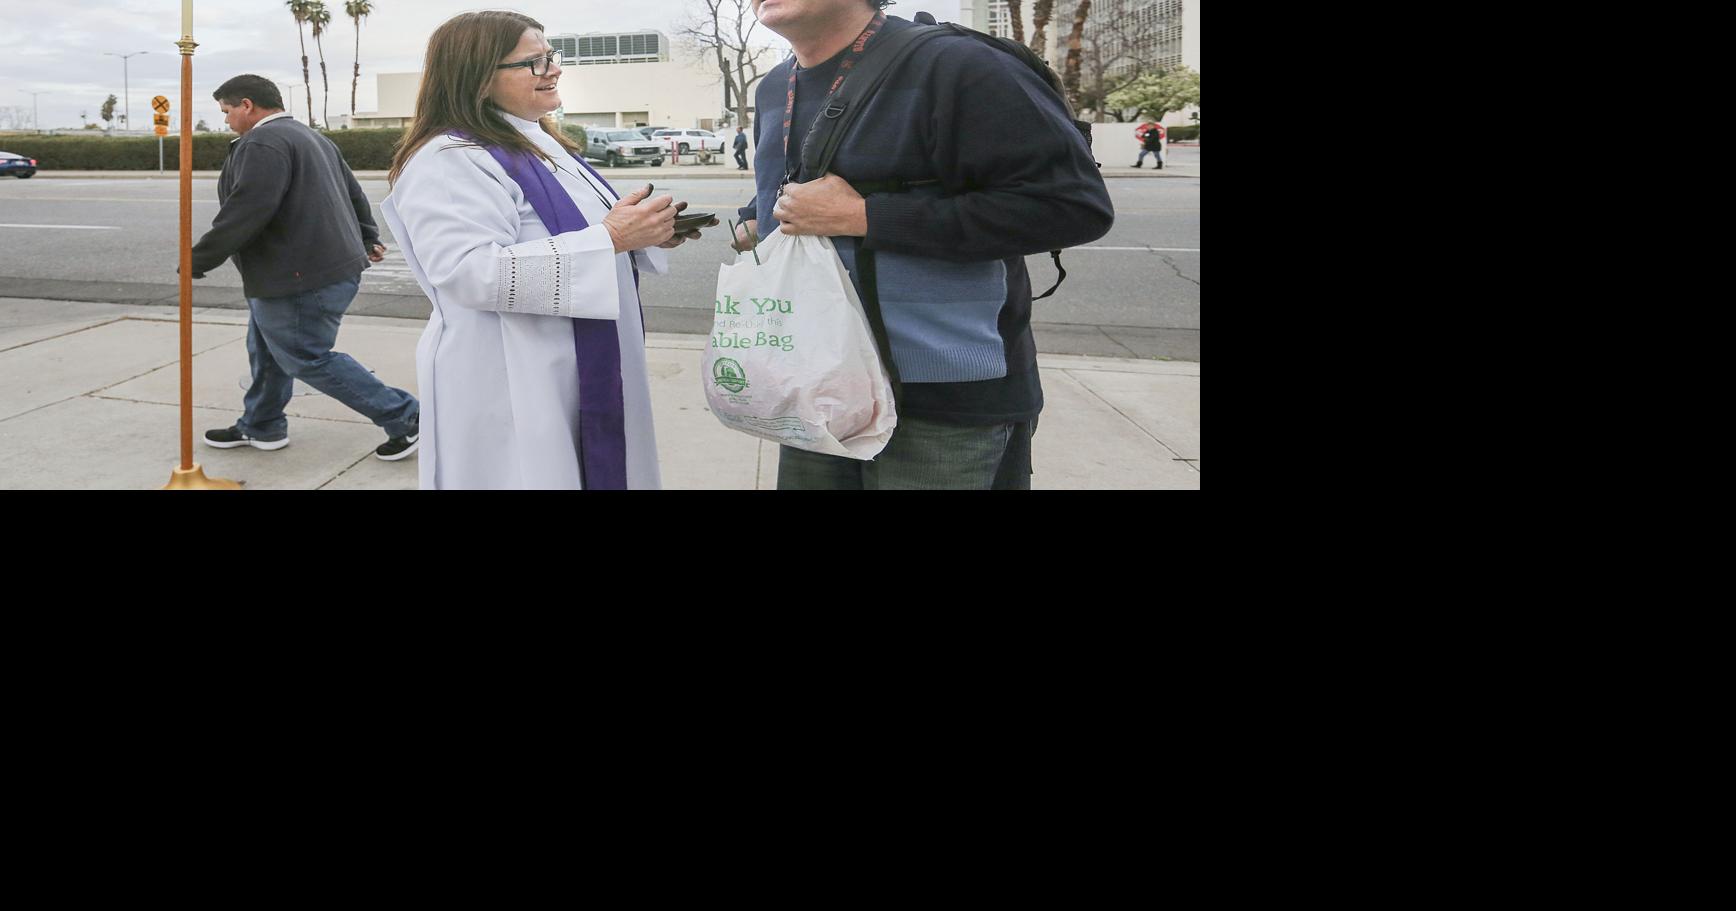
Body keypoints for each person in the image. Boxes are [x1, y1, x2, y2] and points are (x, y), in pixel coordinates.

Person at [733, 0, 1113, 490]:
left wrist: (866, 217)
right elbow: (803, 182)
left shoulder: (959, 66)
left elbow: (1073, 206)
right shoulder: (773, 89)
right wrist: (756, 223)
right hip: (815, 386)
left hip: (944, 402)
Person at [381, 10, 711, 489]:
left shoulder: (541, 145)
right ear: (477, 77)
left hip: (574, 357)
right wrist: (613, 238)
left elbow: (584, 231)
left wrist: (644, 234)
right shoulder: (449, 160)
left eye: (550, 57)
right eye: (533, 62)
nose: (554, 70)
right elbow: (469, 272)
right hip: (513, 372)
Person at [191, 74, 421, 460]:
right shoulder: (310, 136)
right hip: (306, 271)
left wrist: (198, 259)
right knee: (267, 350)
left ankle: (405, 416)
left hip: (298, 275)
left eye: (227, 111)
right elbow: (352, 191)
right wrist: (367, 237)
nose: (226, 120)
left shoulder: (263, 141)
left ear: (247, 105)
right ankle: (261, 425)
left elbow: (248, 209)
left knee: (306, 356)